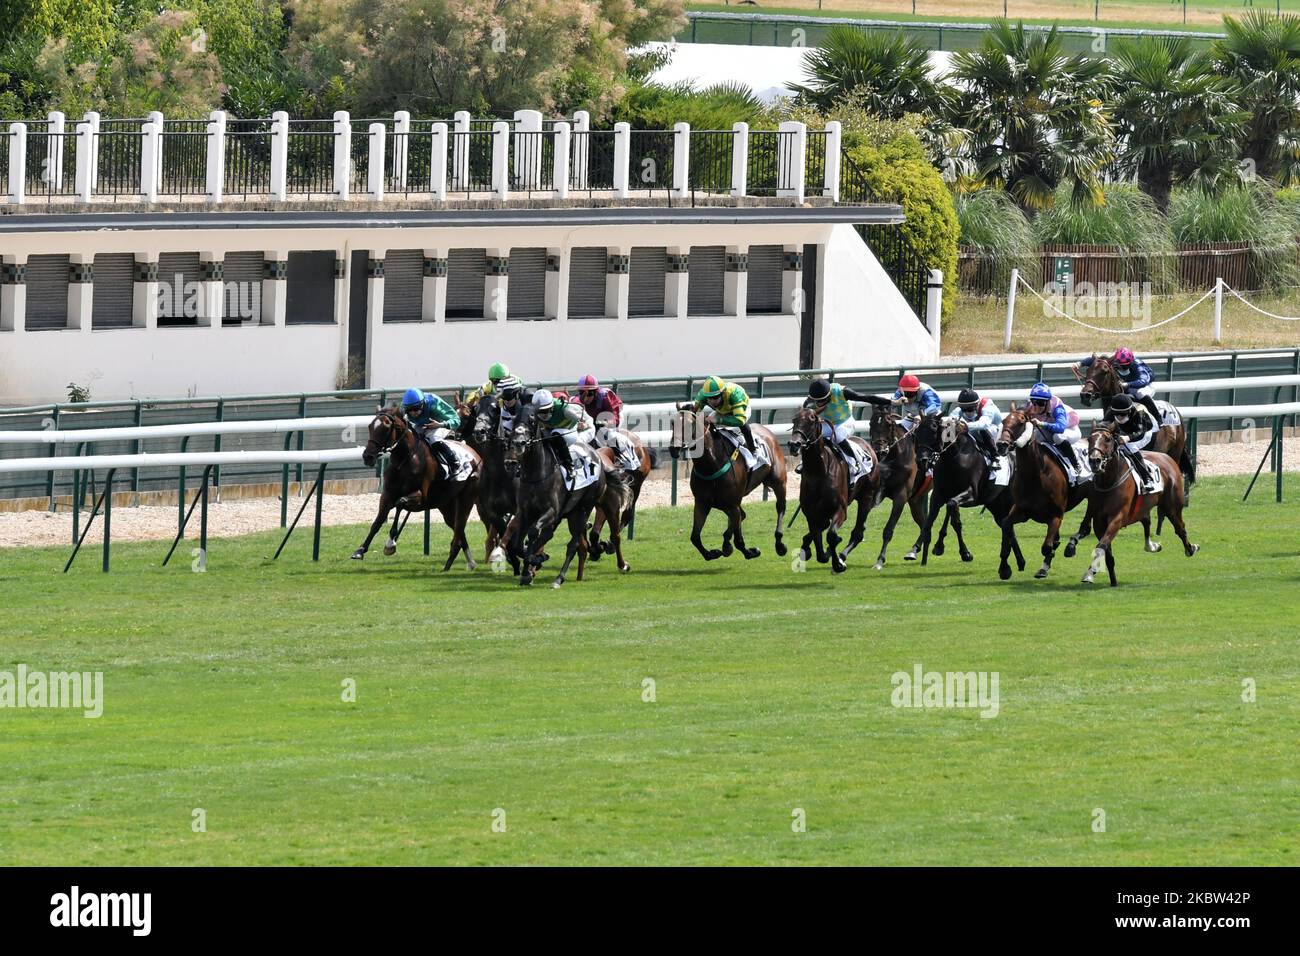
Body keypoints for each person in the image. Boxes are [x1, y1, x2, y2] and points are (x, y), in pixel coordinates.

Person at [1077, 348, 1160, 421]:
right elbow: (1094, 360)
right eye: (1119, 365)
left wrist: (1128, 384)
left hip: (1146, 385)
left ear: (1130, 362)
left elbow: (1143, 380)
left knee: (1140, 393)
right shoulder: (1116, 360)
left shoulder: (1137, 364)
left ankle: (1158, 418)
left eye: (1124, 366)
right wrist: (1080, 364)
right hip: (1129, 385)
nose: (1121, 368)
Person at [804, 378, 873, 466]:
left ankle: (856, 460)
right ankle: (804, 462)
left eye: (822, 400)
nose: (819, 402)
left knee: (838, 437)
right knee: (810, 435)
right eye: (817, 400)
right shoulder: (811, 399)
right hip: (827, 423)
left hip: (844, 421)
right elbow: (806, 410)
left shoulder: (839, 392)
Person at [531, 388, 594, 481]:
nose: (543, 415)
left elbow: (589, 419)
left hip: (573, 431)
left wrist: (585, 424)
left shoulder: (567, 410)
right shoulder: (534, 414)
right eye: (540, 411)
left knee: (556, 434)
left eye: (546, 410)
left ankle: (570, 467)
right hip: (554, 431)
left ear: (552, 407)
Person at [400, 387, 462, 478]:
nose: (413, 412)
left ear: (423, 403)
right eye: (409, 410)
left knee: (433, 438)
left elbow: (457, 420)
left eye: (416, 408)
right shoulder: (404, 406)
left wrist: (441, 424)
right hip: (421, 425)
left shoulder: (433, 403)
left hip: (440, 425)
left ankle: (454, 462)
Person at [1103, 393, 1157, 487]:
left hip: (1145, 431)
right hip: (1125, 430)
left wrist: (1128, 438)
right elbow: (1104, 423)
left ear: (1129, 410)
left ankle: (1146, 479)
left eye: (1122, 414)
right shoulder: (1111, 410)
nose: (1119, 416)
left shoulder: (1139, 412)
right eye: (1116, 414)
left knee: (1130, 446)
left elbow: (1140, 432)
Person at [1024, 382, 1082, 470]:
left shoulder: (1057, 408)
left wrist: (1041, 424)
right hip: (1050, 428)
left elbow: (1061, 428)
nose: (1036, 407)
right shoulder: (1030, 406)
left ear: (1047, 402)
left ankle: (1075, 464)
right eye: (1033, 402)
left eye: (1040, 403)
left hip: (1070, 429)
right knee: (1036, 437)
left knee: (1057, 437)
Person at [692, 375, 755, 455]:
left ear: (723, 393)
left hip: (741, 410)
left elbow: (740, 420)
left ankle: (753, 451)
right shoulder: (702, 395)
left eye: (715, 397)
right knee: (707, 424)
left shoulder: (734, 394)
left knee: (742, 427)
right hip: (722, 410)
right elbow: (694, 414)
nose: (712, 401)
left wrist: (718, 420)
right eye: (709, 398)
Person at [948, 387, 1002, 463]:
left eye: (970, 409)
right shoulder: (964, 406)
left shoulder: (987, 405)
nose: (967, 412)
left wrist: (966, 426)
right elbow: (951, 418)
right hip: (976, 426)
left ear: (977, 404)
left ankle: (995, 457)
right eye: (964, 409)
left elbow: (984, 424)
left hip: (993, 428)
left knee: (982, 430)